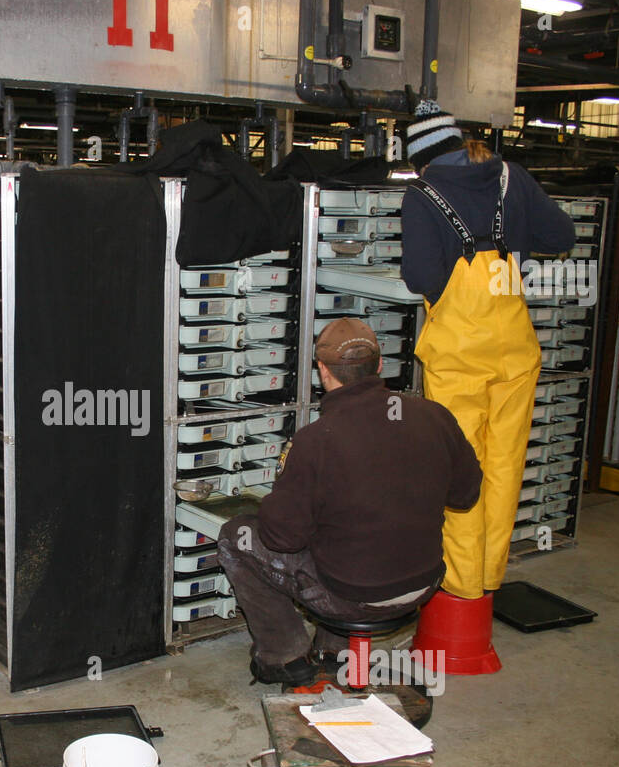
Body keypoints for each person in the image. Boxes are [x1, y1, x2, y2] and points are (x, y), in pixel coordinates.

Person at [401, 100, 576, 659]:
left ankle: (457, 589)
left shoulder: (423, 194)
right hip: (515, 350)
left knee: (459, 473)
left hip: (459, 356)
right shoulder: (511, 176)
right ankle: (488, 582)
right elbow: (563, 235)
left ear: (422, 160)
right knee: (504, 466)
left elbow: (420, 276)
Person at [217, 318, 483, 686]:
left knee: (236, 535)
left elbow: (282, 539)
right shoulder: (434, 416)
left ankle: (284, 656)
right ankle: (334, 651)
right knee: (347, 537)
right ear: (379, 365)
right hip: (424, 584)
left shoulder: (316, 440)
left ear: (322, 371)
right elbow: (466, 495)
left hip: (353, 596)